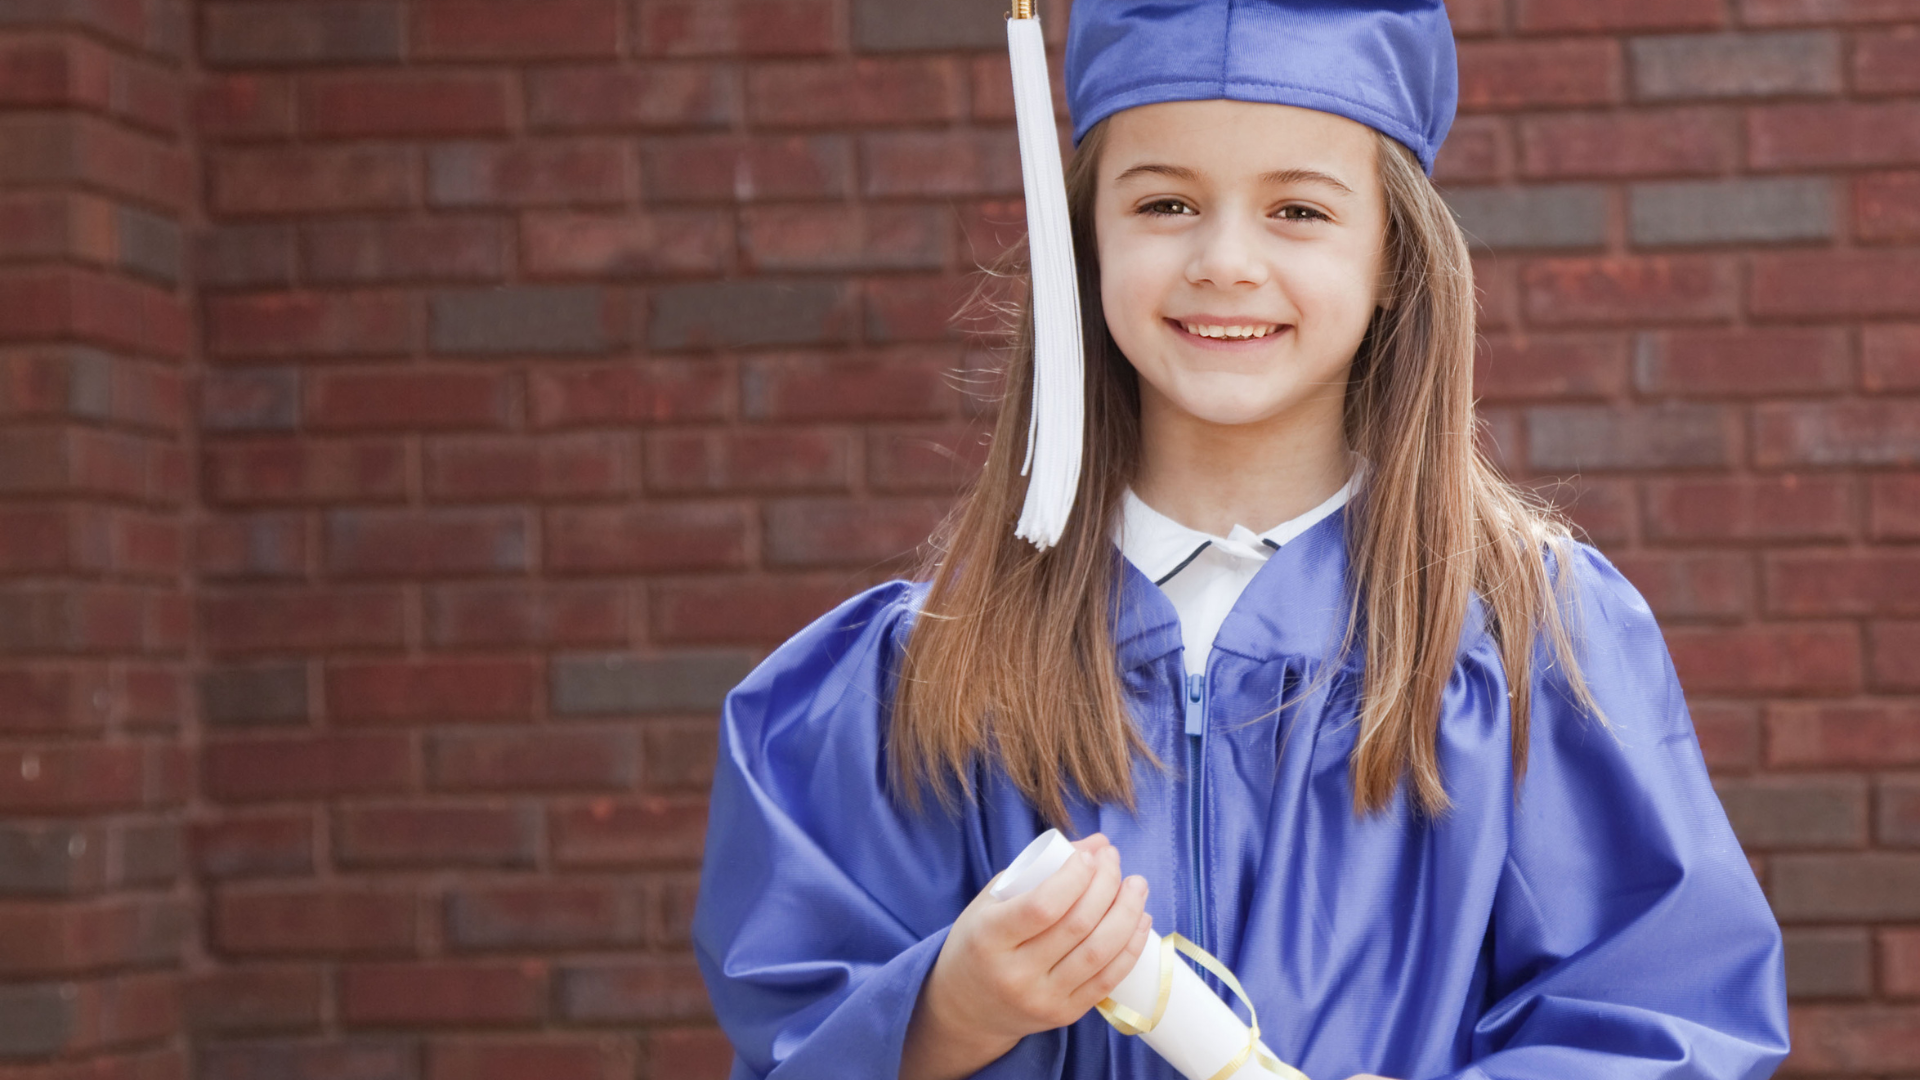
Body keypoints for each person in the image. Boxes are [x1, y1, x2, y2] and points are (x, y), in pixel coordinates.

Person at [691, 2, 1790, 1078]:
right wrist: (944, 1011)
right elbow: (795, 1028)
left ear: (1394, 255)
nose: (1224, 260)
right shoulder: (926, 669)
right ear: (1087, 243)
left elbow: (1659, 1012)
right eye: (1165, 204)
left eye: (1299, 212)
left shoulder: (1528, 640)